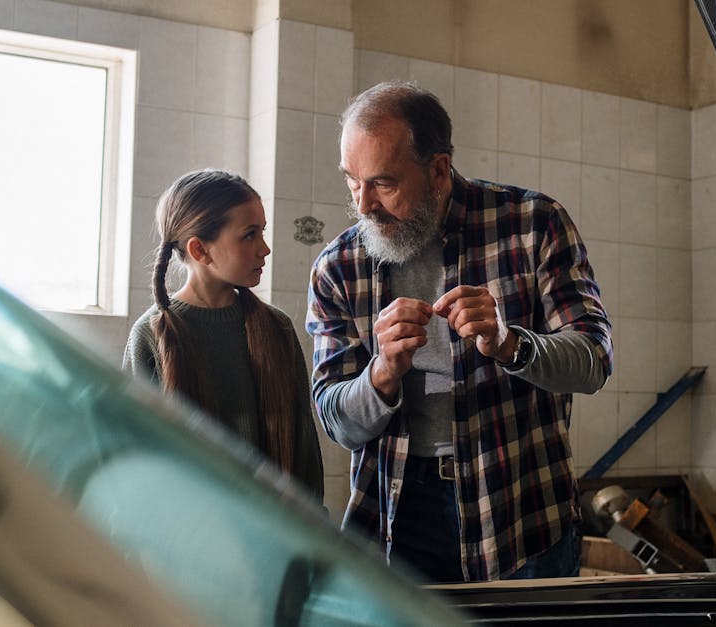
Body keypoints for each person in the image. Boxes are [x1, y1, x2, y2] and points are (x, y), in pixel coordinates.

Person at [306, 81, 612, 582]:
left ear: (440, 170)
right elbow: (337, 422)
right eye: (351, 181)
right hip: (399, 515)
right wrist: (380, 374)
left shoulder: (533, 225)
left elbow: (594, 361)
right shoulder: (338, 267)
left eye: (383, 183)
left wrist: (511, 344)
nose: (363, 205)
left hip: (522, 507)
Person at [124, 168, 323, 499]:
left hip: (273, 539)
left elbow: (304, 452)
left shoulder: (277, 329)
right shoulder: (151, 334)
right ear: (200, 250)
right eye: (249, 235)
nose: (265, 249)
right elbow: (136, 458)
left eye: (263, 232)